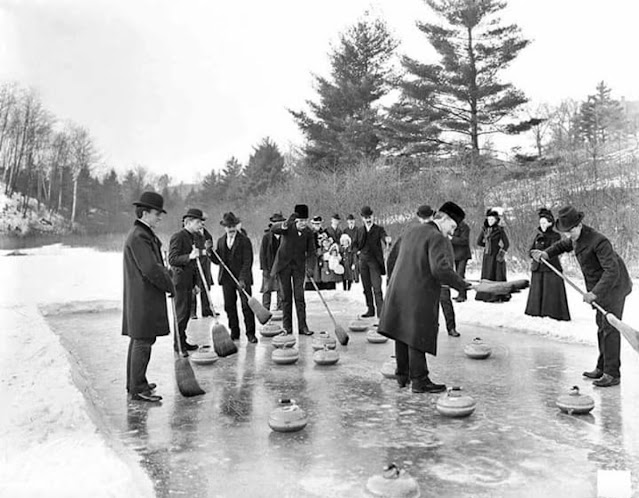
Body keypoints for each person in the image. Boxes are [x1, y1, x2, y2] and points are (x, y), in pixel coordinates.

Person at [532, 206, 632, 387]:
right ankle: (602, 367)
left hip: (615, 286)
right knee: (601, 326)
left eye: (571, 231)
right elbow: (563, 245)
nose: (569, 235)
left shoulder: (599, 241)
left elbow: (612, 271)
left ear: (579, 225)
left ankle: (612, 373)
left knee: (610, 329)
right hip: (600, 287)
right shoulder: (576, 237)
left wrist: (594, 293)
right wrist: (547, 253)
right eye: (566, 232)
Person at [379, 202, 472, 393]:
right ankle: (420, 380)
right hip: (419, 292)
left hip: (398, 290)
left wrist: (394, 280)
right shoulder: (436, 237)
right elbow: (440, 269)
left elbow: (392, 259)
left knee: (402, 331)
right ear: (443, 219)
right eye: (452, 227)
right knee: (416, 333)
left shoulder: (410, 231)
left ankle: (402, 375)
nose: (452, 233)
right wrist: (462, 285)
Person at [123, 191, 175, 403]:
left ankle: (136, 383)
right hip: (143, 298)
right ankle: (137, 388)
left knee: (140, 339)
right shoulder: (139, 236)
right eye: (157, 213)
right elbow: (151, 268)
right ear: (144, 213)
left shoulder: (142, 234)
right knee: (143, 340)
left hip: (143, 297)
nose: (160, 217)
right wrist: (170, 284)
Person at [387, 204, 460, 337]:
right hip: (421, 280)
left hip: (440, 276)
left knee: (445, 301)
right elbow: (395, 256)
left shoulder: (440, 233)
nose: (426, 221)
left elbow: (447, 256)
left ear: (433, 216)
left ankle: (451, 327)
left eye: (428, 218)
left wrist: (450, 276)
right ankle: (430, 328)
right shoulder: (411, 232)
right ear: (419, 218)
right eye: (423, 219)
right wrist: (391, 278)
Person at [209, 212, 257, 343]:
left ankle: (250, 334)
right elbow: (217, 260)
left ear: (236, 226)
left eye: (232, 226)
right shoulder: (220, 241)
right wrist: (210, 251)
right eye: (228, 226)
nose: (230, 229)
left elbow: (248, 262)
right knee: (229, 306)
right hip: (226, 279)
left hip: (243, 279)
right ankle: (234, 332)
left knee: (247, 306)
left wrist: (242, 279)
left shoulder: (245, 240)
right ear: (224, 227)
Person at [271, 204, 317, 336]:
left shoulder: (308, 232)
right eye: (300, 221)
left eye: (305, 220)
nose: (303, 223)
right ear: (296, 220)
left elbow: (312, 252)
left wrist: (310, 268)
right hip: (283, 266)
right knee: (286, 297)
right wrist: (285, 224)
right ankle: (287, 328)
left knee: (299, 296)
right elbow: (274, 229)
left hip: (299, 267)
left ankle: (303, 327)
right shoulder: (287, 227)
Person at [169, 208, 207, 352]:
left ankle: (183, 341)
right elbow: (172, 259)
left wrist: (196, 283)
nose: (200, 225)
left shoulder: (194, 237)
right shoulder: (178, 236)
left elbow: (195, 264)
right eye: (198, 222)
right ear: (188, 222)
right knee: (181, 314)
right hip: (179, 281)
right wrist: (189, 256)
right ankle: (178, 345)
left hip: (189, 281)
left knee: (186, 315)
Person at [525, 208, 570, 321]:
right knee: (537, 290)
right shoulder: (537, 235)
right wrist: (533, 254)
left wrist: (544, 254)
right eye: (541, 223)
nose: (542, 225)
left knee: (550, 291)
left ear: (550, 223)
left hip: (551, 267)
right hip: (537, 268)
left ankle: (552, 313)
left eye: (544, 223)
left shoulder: (556, 236)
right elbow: (530, 250)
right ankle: (536, 312)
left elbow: (554, 251)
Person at [353, 205, 391, 318]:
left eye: (369, 217)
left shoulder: (379, 229)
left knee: (377, 288)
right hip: (363, 261)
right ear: (362, 218)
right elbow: (354, 245)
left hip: (374, 262)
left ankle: (381, 312)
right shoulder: (359, 230)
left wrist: (387, 240)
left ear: (372, 217)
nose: (368, 219)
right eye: (366, 218)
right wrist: (357, 252)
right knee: (366, 287)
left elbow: (385, 238)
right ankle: (370, 309)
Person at [475, 208, 510, 303]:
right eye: (488, 219)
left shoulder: (500, 230)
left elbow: (506, 244)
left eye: (492, 220)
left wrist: (501, 253)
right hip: (487, 255)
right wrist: (486, 246)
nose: (490, 221)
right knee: (487, 275)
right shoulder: (484, 230)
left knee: (496, 274)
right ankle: (486, 295)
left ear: (496, 220)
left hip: (496, 255)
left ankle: (497, 295)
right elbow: (478, 242)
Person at [260, 212, 285, 312]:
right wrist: (264, 268)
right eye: (276, 222)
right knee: (267, 289)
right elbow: (262, 254)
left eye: (280, 222)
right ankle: (265, 310)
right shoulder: (266, 236)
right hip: (269, 267)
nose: (278, 224)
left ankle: (280, 308)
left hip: (281, 267)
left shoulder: (285, 235)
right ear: (272, 223)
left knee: (281, 289)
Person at [190, 225, 215, 318]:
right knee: (194, 286)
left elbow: (210, 249)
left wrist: (209, 250)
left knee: (206, 286)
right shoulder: (191, 233)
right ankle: (192, 311)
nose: (201, 224)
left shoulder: (207, 234)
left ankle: (206, 309)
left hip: (206, 264)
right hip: (195, 264)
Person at [451, 219, 471, 302]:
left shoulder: (464, 227)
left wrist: (451, 238)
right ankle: (461, 293)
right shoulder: (451, 227)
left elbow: (464, 240)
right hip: (455, 254)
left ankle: (462, 295)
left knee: (460, 274)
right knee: (457, 275)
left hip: (463, 254)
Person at [343, 214, 359, 285]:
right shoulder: (345, 230)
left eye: (352, 221)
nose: (351, 222)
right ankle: (348, 278)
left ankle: (355, 278)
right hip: (347, 250)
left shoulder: (358, 230)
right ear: (347, 222)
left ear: (354, 221)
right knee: (347, 265)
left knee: (355, 264)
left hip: (355, 249)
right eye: (349, 221)